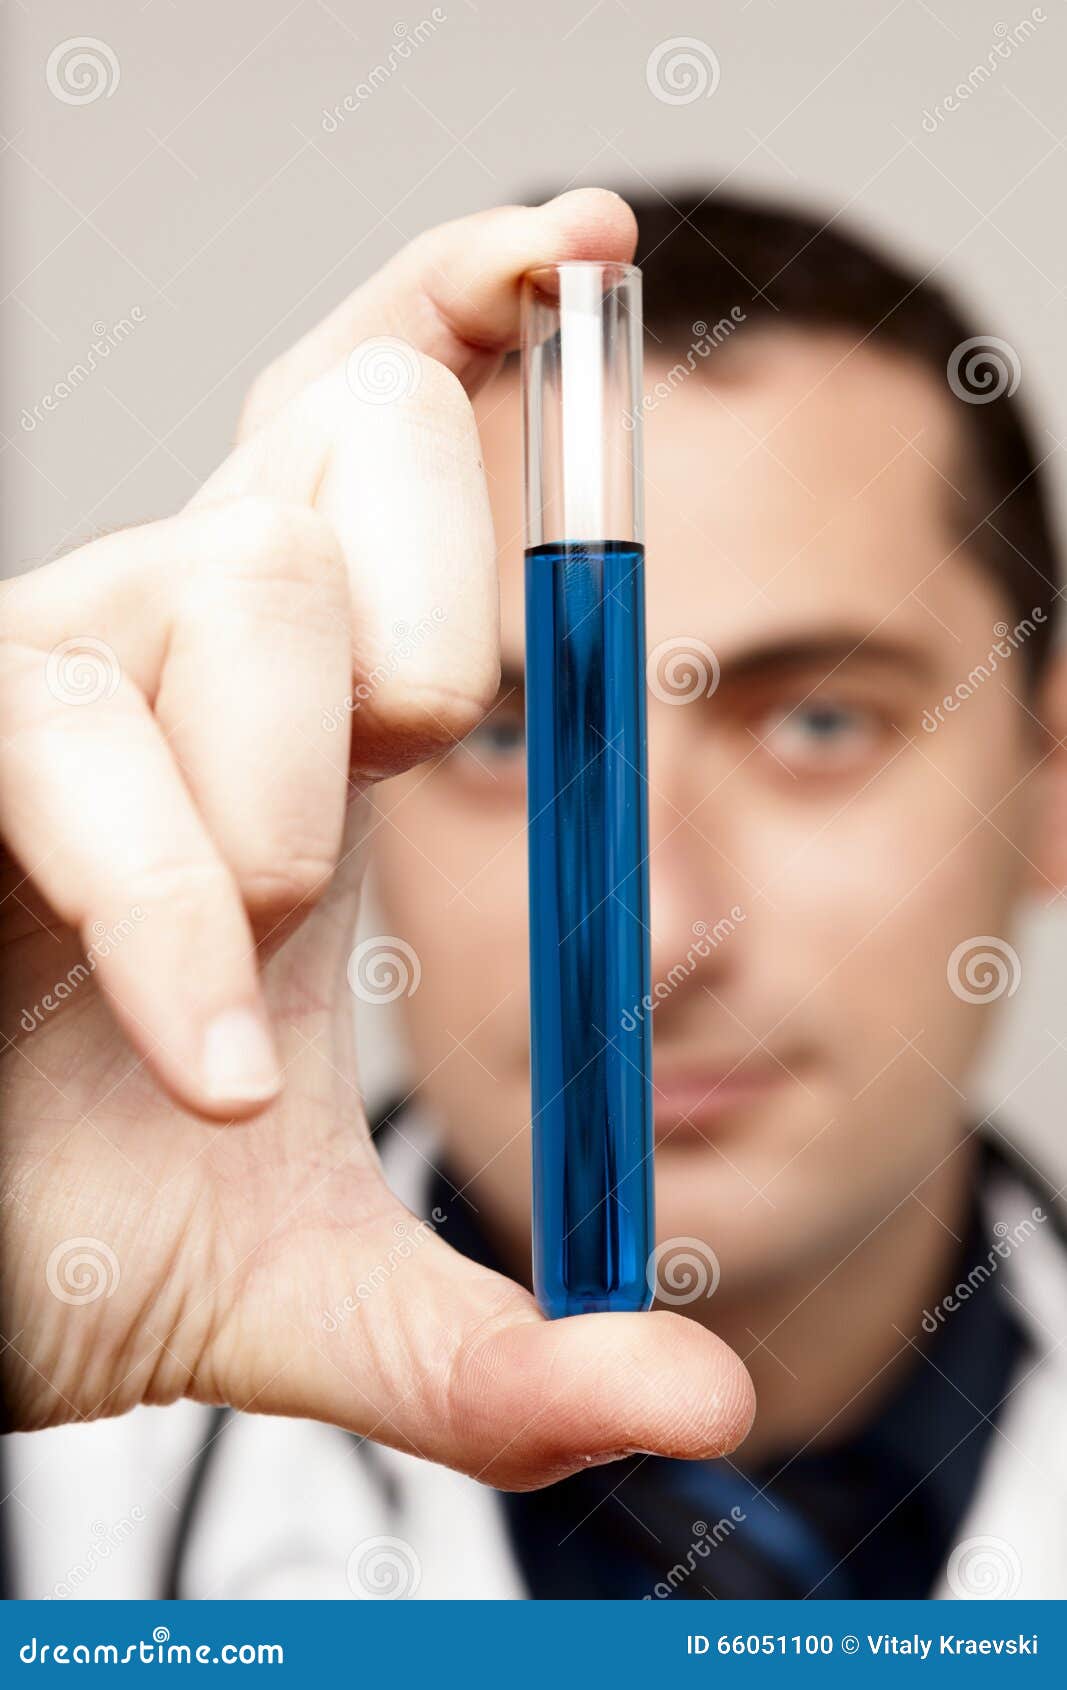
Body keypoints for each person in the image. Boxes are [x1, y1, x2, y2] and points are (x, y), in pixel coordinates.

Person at [0, 186, 1064, 1601]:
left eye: (820, 723)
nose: (663, 943)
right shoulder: (55, 1484)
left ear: (1049, 778)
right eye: (509, 740)